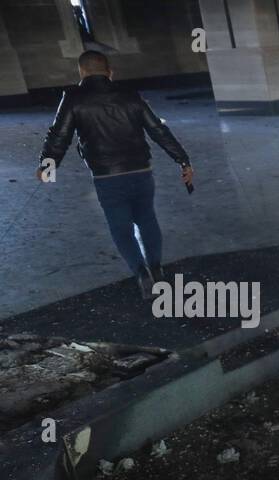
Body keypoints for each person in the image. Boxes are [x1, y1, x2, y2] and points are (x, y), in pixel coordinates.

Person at [37, 51, 193, 300]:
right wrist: (182, 159)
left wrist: (47, 166)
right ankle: (157, 270)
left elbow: (59, 135)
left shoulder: (74, 98)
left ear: (82, 72)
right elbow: (158, 130)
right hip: (141, 171)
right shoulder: (130, 95)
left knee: (121, 229)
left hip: (106, 176)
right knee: (147, 219)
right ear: (110, 72)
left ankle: (142, 274)